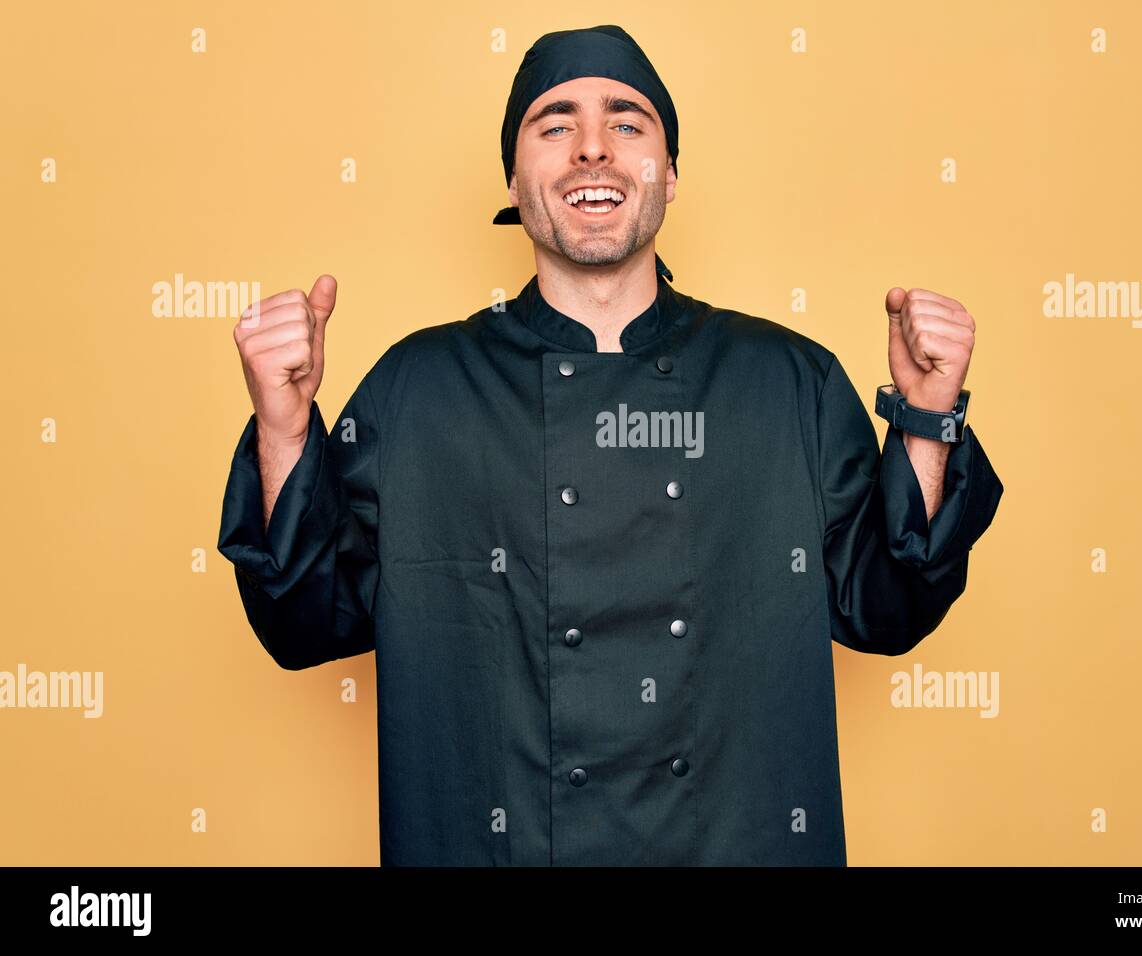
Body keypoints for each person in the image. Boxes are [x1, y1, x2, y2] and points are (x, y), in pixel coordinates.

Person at [218, 24, 1004, 866]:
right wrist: (285, 424)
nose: (593, 148)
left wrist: (925, 416)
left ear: (668, 172)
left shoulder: (787, 380)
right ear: (515, 180)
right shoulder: (419, 388)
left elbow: (886, 611)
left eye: (628, 123)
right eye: (555, 125)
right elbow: (304, 625)